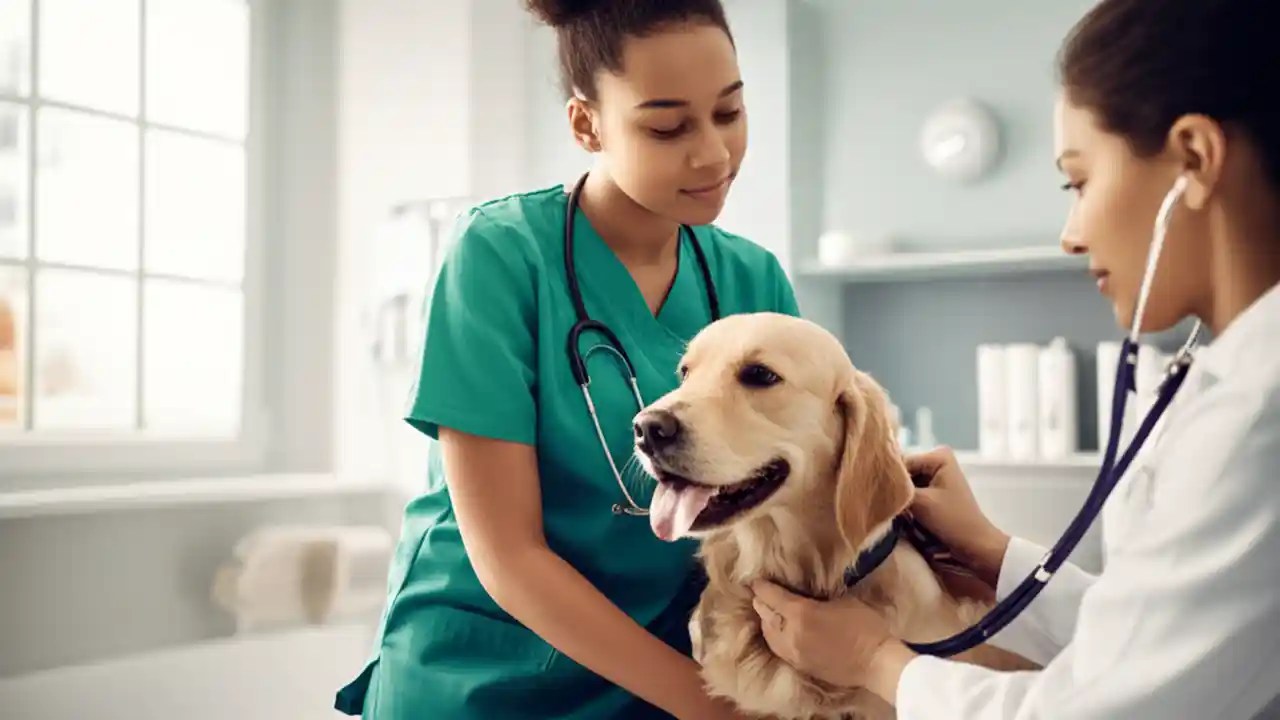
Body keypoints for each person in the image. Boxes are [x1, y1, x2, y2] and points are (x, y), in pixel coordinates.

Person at [749, 0, 1280, 716]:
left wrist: (877, 662)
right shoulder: (1242, 387)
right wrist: (996, 557)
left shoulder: (1256, 418)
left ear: (1194, 158)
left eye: (1078, 182)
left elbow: (1105, 707)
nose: (1071, 232)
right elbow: (1160, 640)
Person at [334, 1, 798, 718]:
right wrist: (711, 708)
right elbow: (508, 558)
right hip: (478, 676)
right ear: (586, 124)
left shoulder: (752, 283)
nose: (712, 154)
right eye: (667, 126)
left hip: (662, 671)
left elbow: (789, 510)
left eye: (729, 114)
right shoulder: (502, 255)